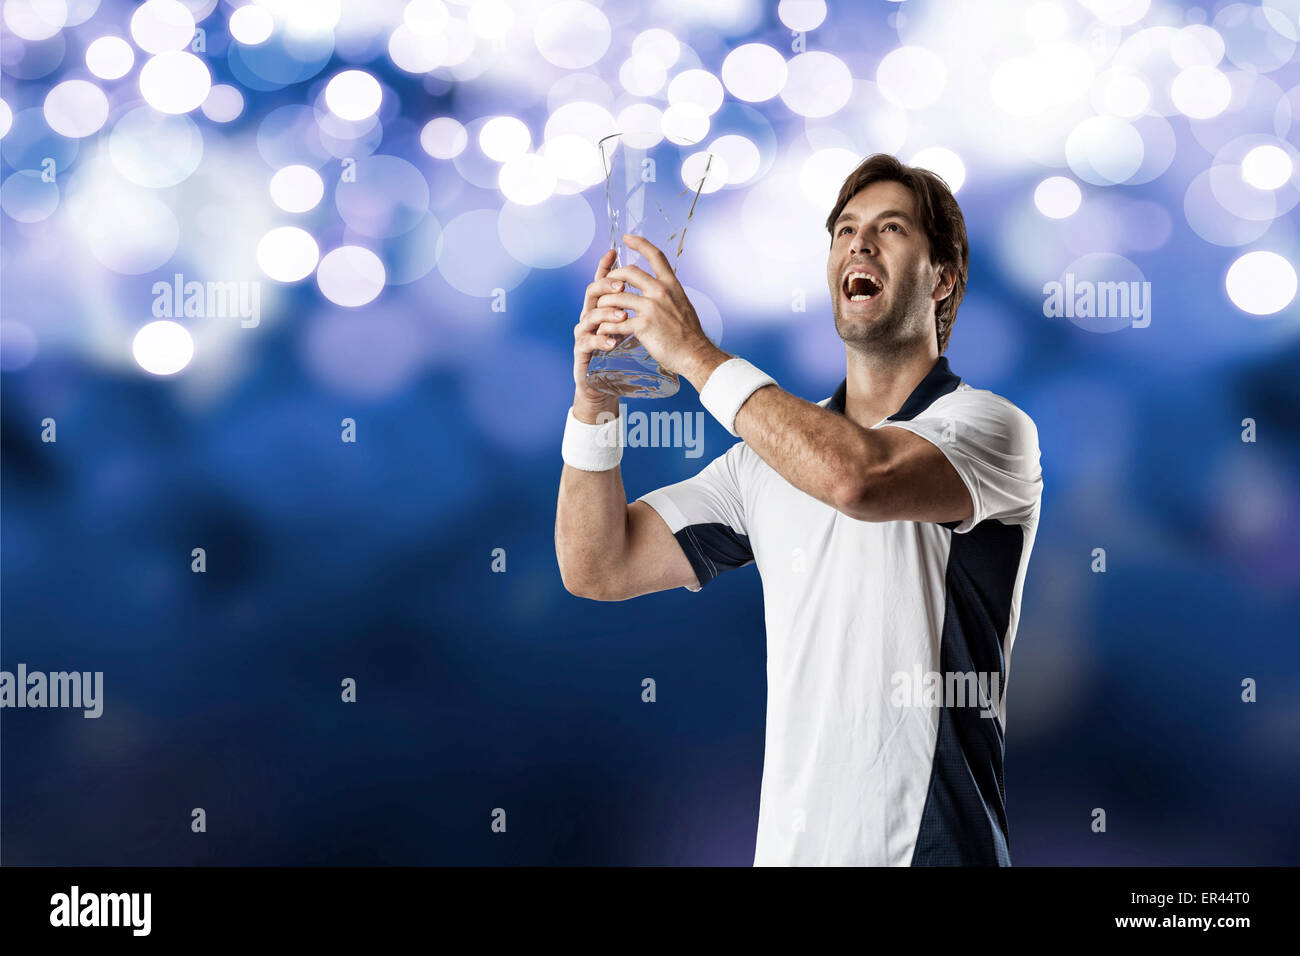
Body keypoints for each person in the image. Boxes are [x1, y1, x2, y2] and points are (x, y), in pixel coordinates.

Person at [555, 153, 1043, 866]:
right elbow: (598, 564)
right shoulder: (767, 456)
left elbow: (858, 480)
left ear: (942, 278)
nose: (859, 244)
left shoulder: (989, 428)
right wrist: (593, 403)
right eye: (844, 230)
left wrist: (692, 353)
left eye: (891, 229)